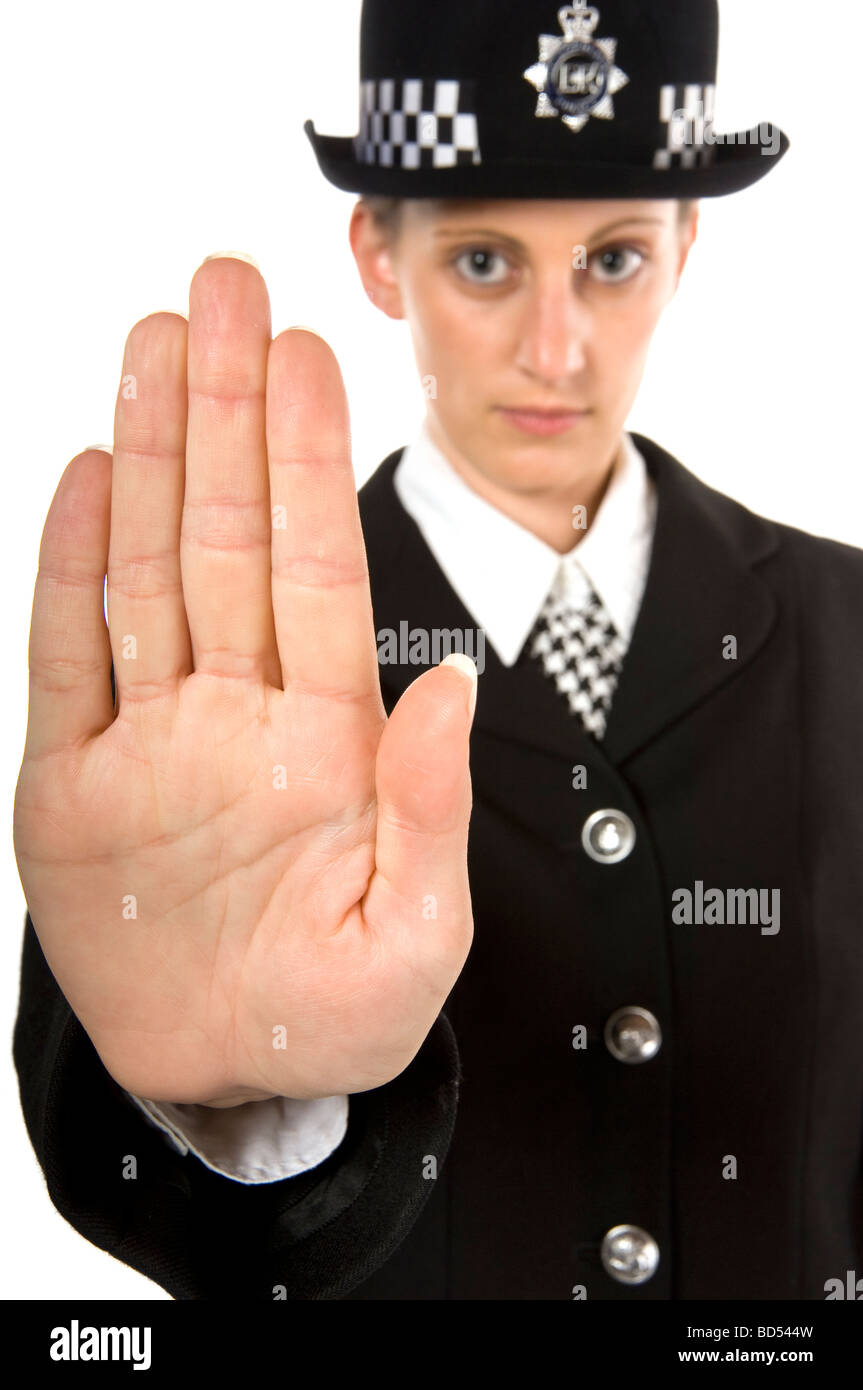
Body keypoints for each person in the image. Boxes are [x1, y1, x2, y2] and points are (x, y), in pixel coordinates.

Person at [12, 0, 863, 1301]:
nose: (555, 346)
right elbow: (159, 1202)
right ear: (376, 252)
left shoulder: (850, 625)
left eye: (615, 259)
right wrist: (238, 1097)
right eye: (483, 262)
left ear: (688, 246)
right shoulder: (202, 684)